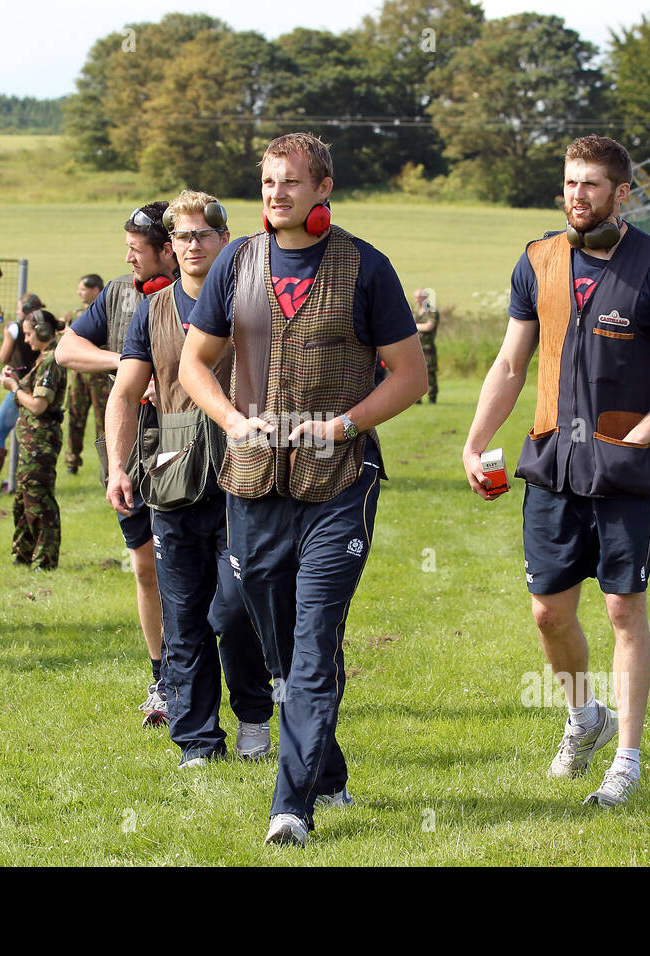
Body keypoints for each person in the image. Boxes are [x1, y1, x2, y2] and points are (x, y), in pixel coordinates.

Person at [180, 133, 427, 845]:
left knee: (315, 640)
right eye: (266, 182)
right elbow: (199, 361)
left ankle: (292, 807)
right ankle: (329, 770)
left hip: (339, 483)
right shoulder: (238, 262)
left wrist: (347, 424)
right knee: (268, 638)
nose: (275, 194)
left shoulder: (364, 267)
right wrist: (229, 419)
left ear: (323, 188)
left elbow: (410, 375)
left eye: (289, 182)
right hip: (253, 482)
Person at [461, 134, 650, 808]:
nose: (578, 195)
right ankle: (584, 718)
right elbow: (512, 364)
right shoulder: (537, 261)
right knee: (548, 614)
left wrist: (641, 435)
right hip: (551, 460)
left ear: (622, 193)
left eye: (592, 185)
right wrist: (475, 438)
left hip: (623, 467)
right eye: (571, 183)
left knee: (623, 609)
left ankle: (626, 759)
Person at [106, 190, 273, 769]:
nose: (193, 244)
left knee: (237, 604)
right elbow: (125, 393)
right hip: (172, 462)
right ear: (170, 246)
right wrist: (118, 467)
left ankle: (253, 714)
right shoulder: (151, 312)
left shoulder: (256, 301)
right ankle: (197, 739)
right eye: (182, 236)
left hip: (244, 462)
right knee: (182, 609)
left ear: (225, 239)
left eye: (203, 234)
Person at [55, 203, 177, 727]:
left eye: (137, 250)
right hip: (126, 441)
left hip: (186, 440)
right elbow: (66, 349)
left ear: (167, 250)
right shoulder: (117, 293)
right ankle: (163, 679)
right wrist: (126, 365)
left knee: (199, 566)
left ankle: (217, 676)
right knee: (145, 565)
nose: (128, 258)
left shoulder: (207, 287)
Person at [0, 310, 66, 570]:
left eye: (29, 333)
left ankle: (45, 561)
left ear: (42, 331)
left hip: (40, 441)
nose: (26, 340)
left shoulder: (51, 361)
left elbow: (38, 405)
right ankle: (23, 554)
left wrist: (14, 389)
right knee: (24, 498)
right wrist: (16, 380)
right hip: (31, 442)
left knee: (38, 499)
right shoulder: (43, 359)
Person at [0, 292, 45, 497]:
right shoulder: (43, 327)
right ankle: (19, 483)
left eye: (20, 308)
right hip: (37, 387)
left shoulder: (15, 328)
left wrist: (8, 334)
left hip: (19, 386)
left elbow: (3, 356)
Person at [63, 274, 109, 476]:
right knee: (75, 418)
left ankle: (107, 463)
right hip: (79, 377)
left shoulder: (108, 311)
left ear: (96, 290)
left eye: (83, 289)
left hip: (100, 377)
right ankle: (71, 461)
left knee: (104, 422)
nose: (79, 293)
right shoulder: (73, 314)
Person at [414, 288, 440, 403]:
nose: (418, 300)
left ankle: (432, 399)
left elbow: (429, 326)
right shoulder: (415, 312)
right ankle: (416, 399)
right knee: (415, 373)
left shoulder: (431, 311)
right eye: (416, 297)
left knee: (430, 374)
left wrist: (413, 326)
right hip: (415, 348)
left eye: (420, 297)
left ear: (426, 298)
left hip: (427, 348)